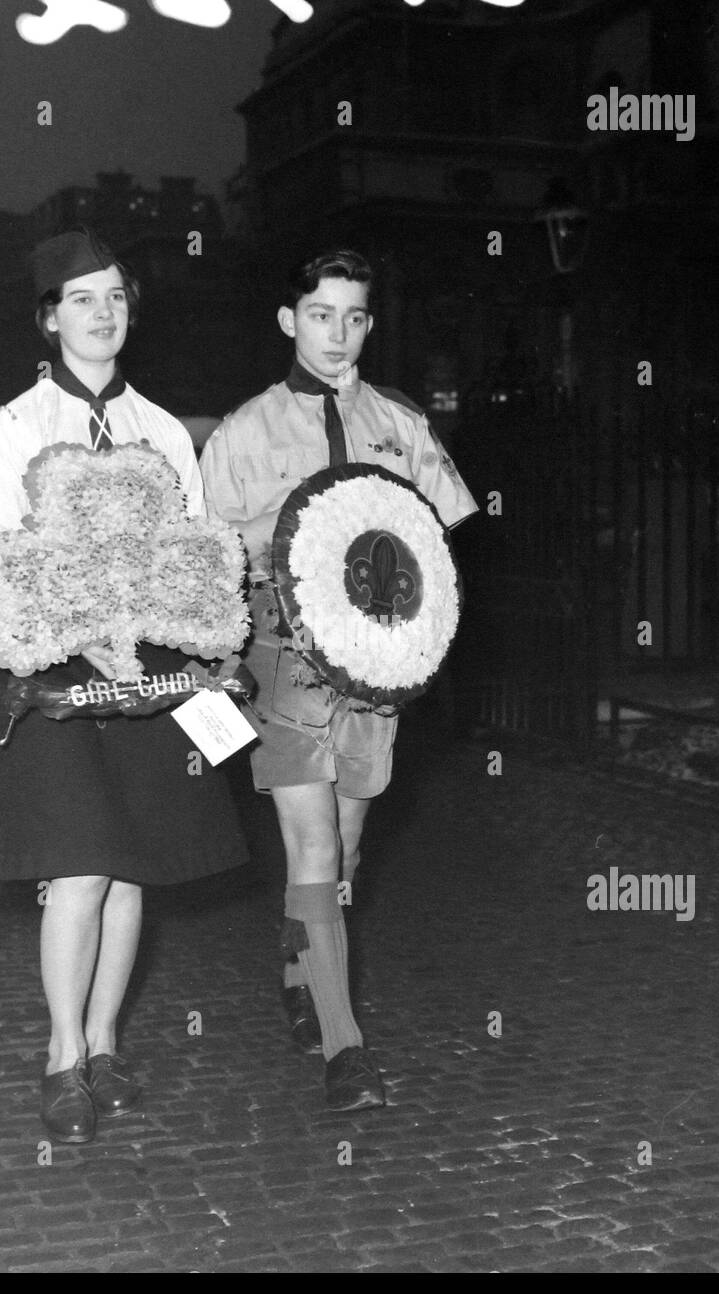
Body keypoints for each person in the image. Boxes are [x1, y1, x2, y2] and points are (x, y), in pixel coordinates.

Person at [0, 228, 248, 1144]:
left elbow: (200, 562)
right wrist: (73, 629)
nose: (104, 313)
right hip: (56, 677)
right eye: (82, 299)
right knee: (78, 868)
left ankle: (105, 1045)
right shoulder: (17, 427)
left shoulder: (162, 431)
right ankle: (59, 1058)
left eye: (117, 296)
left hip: (154, 681)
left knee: (135, 871)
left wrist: (199, 649)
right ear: (50, 321)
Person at [200, 248, 477, 1111]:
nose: (339, 333)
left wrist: (418, 641)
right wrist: (214, 670)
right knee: (313, 843)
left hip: (373, 667)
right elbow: (205, 562)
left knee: (346, 850)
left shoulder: (401, 423)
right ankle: (343, 1045)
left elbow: (438, 543)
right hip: (280, 662)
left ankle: (299, 968)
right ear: (290, 321)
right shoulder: (245, 430)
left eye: (355, 316)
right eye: (321, 314)